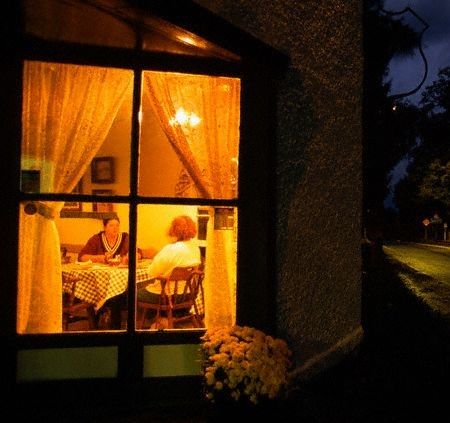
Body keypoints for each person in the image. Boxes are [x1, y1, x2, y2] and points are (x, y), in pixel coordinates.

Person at [137, 215, 201, 306]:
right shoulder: (195, 248)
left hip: (167, 296)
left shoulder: (170, 249)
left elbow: (151, 272)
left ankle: (155, 317)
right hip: (189, 294)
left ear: (174, 230)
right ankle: (163, 317)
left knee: (133, 293)